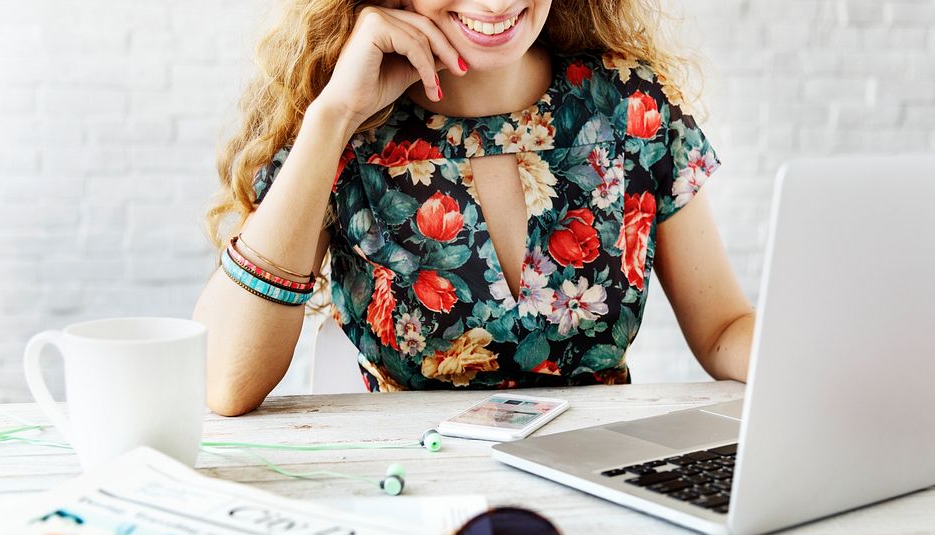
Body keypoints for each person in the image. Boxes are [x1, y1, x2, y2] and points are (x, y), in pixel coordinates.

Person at [194, 0, 755, 416]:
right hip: (409, 484)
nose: (494, 3)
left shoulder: (633, 106)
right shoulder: (344, 129)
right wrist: (333, 116)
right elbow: (222, 381)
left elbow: (723, 329)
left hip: (600, 479)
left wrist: (801, 364)